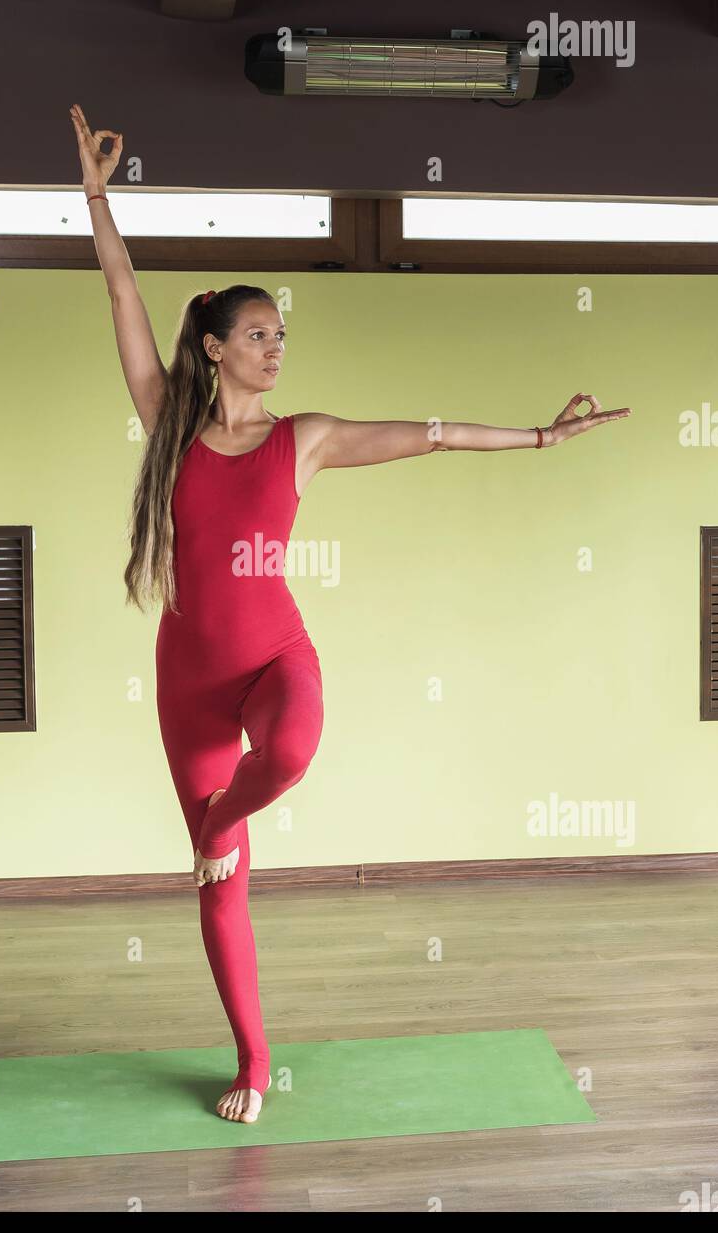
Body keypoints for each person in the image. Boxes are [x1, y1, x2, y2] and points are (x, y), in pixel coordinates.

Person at [71, 103, 631, 1125]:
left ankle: (220, 819)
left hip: (276, 654)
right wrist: (98, 198)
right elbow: (117, 286)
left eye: (282, 334)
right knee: (220, 888)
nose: (275, 347)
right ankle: (250, 1062)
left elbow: (436, 432)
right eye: (257, 335)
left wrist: (543, 440)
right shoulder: (169, 424)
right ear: (213, 346)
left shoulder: (308, 438)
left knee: (283, 760)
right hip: (188, 678)